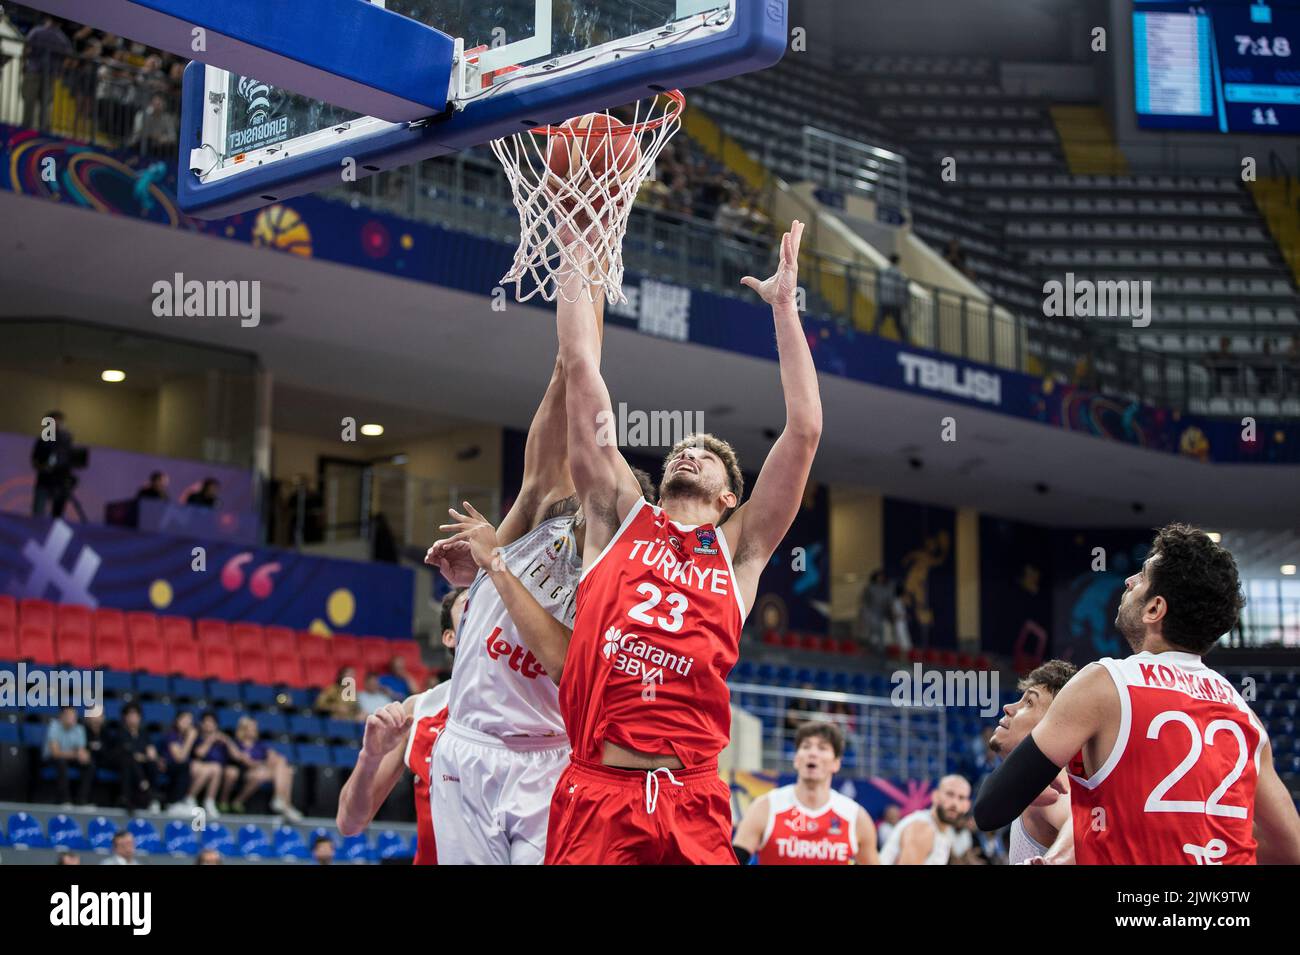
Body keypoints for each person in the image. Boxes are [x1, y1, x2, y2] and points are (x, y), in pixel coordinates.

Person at [544, 220, 822, 865]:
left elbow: (804, 430)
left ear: (731, 498)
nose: (689, 453)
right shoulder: (617, 517)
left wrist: (785, 308)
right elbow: (583, 371)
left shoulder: (741, 550)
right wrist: (576, 248)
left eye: (706, 455)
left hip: (692, 797)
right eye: (683, 449)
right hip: (598, 789)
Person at [974, 524, 1300, 865]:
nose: (1128, 581)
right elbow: (1288, 848)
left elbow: (990, 809)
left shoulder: (1105, 682)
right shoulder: (1244, 714)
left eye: (1141, 576)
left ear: (1154, 610)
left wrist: (1025, 782)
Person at [337, 588, 466, 865]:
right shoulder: (419, 709)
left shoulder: (538, 706)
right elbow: (349, 822)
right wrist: (369, 758)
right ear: (449, 637)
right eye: (468, 603)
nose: (479, 607)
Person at [732, 721, 878, 865]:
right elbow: (732, 860)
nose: (812, 753)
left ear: (836, 764)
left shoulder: (856, 817)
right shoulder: (765, 807)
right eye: (806, 746)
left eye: (822, 748)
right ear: (796, 759)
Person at [985, 659, 1077, 865]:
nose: (1008, 707)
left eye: (1029, 702)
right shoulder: (1036, 780)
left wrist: (1052, 861)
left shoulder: (1051, 786)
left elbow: (1081, 825)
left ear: (1053, 724)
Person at [879, 774, 970, 865]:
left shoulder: (944, 831)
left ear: (967, 805)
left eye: (961, 798)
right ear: (935, 796)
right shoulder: (922, 828)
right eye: (950, 794)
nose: (954, 803)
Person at [226, 715, 303, 821]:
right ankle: (285, 804)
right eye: (251, 728)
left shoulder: (260, 745)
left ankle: (282, 801)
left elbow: (272, 756)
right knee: (280, 771)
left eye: (255, 728)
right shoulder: (237, 744)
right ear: (243, 729)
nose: (254, 731)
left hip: (262, 772)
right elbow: (248, 763)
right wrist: (264, 763)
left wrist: (271, 758)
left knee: (284, 766)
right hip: (244, 773)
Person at [20, 16, 72, 130]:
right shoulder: (63, 39)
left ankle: (25, 128)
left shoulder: (37, 31)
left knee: (29, 102)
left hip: (33, 70)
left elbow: (26, 48)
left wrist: (24, 64)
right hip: (50, 74)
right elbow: (68, 58)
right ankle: (43, 131)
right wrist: (60, 72)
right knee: (45, 104)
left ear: (48, 19)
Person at [113, 702, 163, 812]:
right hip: (125, 764)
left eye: (136, 715)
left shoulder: (143, 733)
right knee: (130, 760)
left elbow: (151, 751)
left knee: (153, 763)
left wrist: (152, 757)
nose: (133, 718)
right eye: (130, 715)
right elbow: (129, 753)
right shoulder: (121, 733)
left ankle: (151, 796)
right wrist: (141, 756)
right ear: (124, 717)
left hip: (142, 765)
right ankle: (143, 792)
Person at [43, 706, 92, 806]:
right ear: (61, 716)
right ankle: (65, 800)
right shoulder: (54, 726)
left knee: (89, 765)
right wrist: (76, 754)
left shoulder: (79, 729)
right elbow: (56, 753)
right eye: (68, 715)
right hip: (52, 759)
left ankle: (82, 800)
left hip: (71, 758)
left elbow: (81, 752)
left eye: (73, 715)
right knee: (61, 762)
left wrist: (84, 756)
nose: (72, 718)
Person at [30, 410, 74, 518]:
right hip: (44, 480)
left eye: (58, 421)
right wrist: (44, 467)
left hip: (60, 481)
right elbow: (35, 460)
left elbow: (69, 458)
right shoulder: (43, 440)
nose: (56, 424)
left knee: (57, 515)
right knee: (38, 513)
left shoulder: (66, 439)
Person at [191, 711, 235, 818]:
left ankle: (214, 802)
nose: (209, 725)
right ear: (201, 724)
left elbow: (237, 756)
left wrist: (228, 742)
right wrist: (210, 740)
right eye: (206, 722)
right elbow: (200, 754)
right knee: (214, 768)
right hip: (201, 767)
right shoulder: (197, 737)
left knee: (227, 771)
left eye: (212, 722)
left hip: (219, 769)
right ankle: (194, 799)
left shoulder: (222, 739)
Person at [877, 253, 909, 340]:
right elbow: (902, 288)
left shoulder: (884, 271)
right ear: (897, 262)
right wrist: (903, 302)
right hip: (894, 302)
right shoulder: (898, 274)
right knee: (897, 324)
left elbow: (880, 283)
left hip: (885, 301)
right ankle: (905, 340)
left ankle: (873, 336)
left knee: (879, 321)